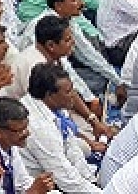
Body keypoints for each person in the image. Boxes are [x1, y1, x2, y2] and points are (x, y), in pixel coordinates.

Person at [18, 62, 99, 194]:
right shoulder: (39, 127)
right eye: (68, 92)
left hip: (53, 171)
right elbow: (65, 179)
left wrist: (92, 181)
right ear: (50, 95)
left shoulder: (55, 106)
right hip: (35, 185)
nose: (73, 95)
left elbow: (72, 149)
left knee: (82, 148)